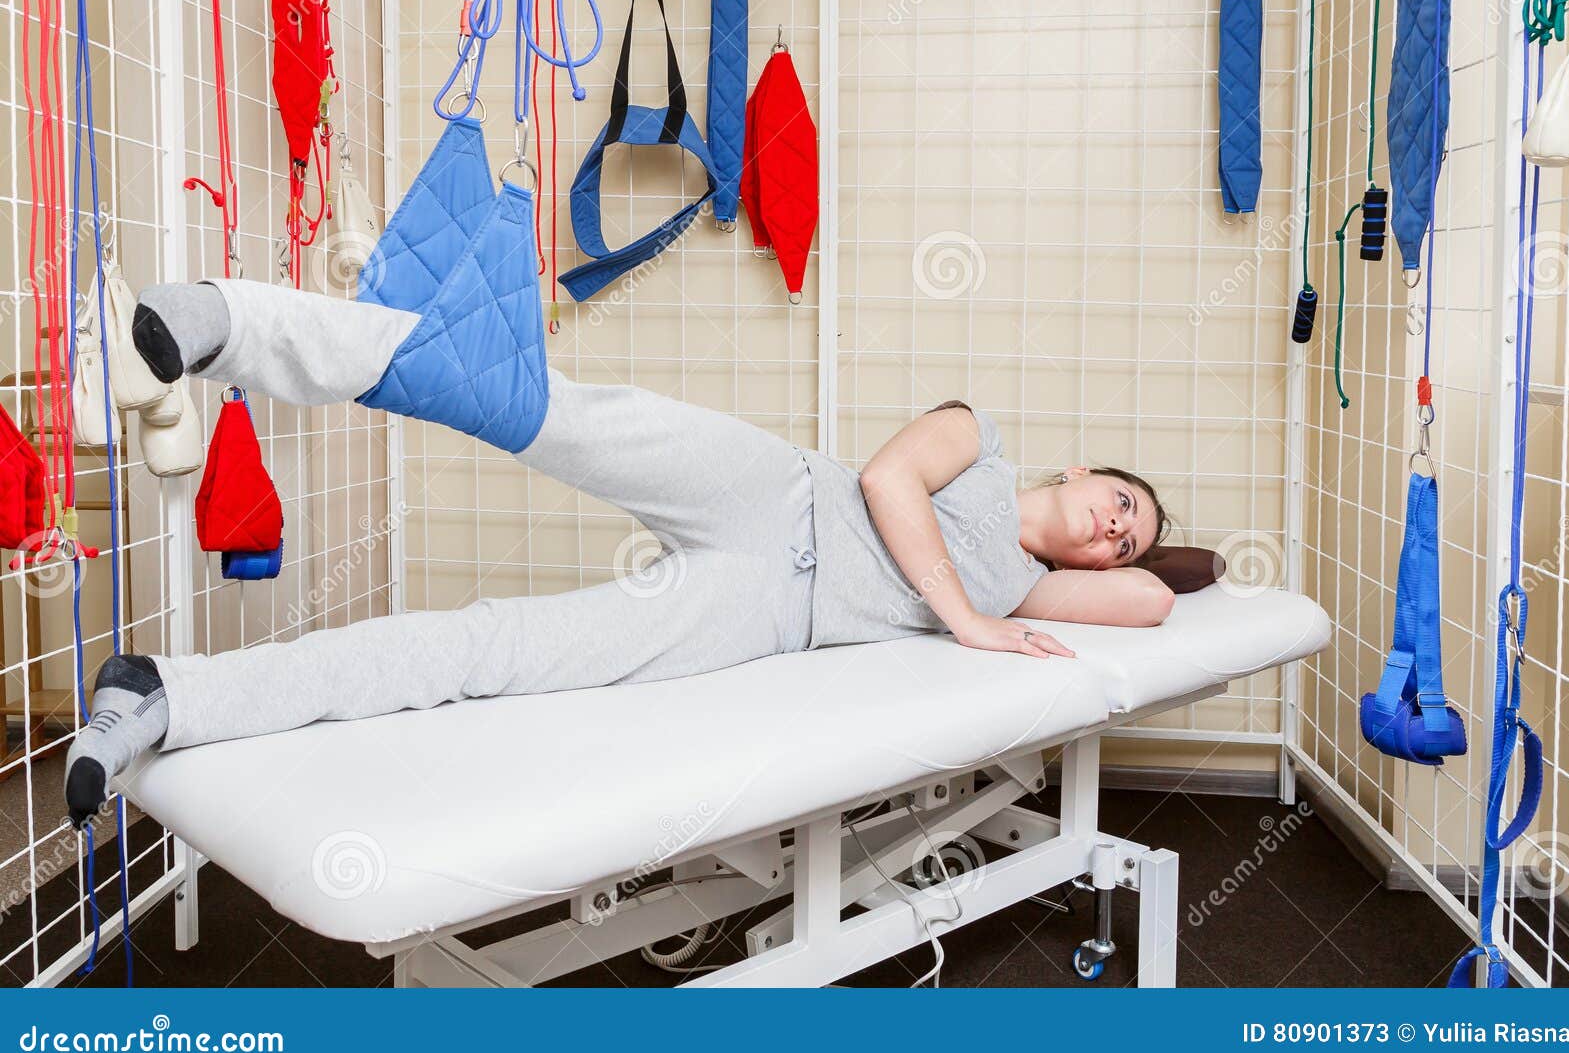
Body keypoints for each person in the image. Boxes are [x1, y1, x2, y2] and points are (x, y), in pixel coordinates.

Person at [65, 281, 1172, 827]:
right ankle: (237, 324)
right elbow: (885, 482)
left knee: (493, 650)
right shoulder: (976, 441)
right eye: (1120, 498)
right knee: (538, 406)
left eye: (1132, 535)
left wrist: (1164, 564)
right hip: (774, 494)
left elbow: (1154, 608)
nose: (1118, 528)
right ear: (1077, 471)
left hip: (762, 616)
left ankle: (165, 695)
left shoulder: (1036, 587)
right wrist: (968, 622)